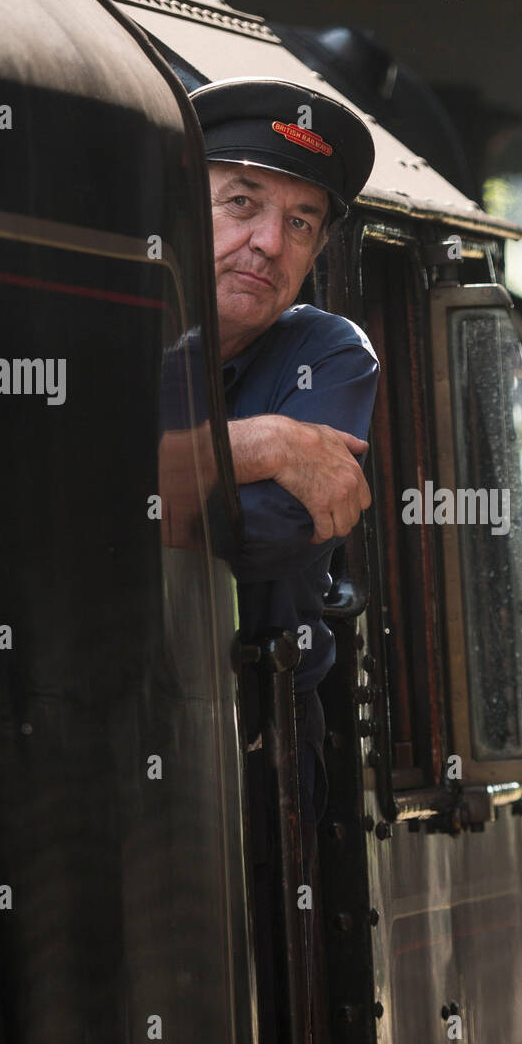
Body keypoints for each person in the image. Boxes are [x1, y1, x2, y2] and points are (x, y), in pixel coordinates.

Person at [189, 75, 379, 825]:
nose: (268, 242)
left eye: (300, 222)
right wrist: (257, 441)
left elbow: (257, 535)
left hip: (254, 747)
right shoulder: (105, 326)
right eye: (242, 204)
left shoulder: (330, 354)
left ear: (318, 249)